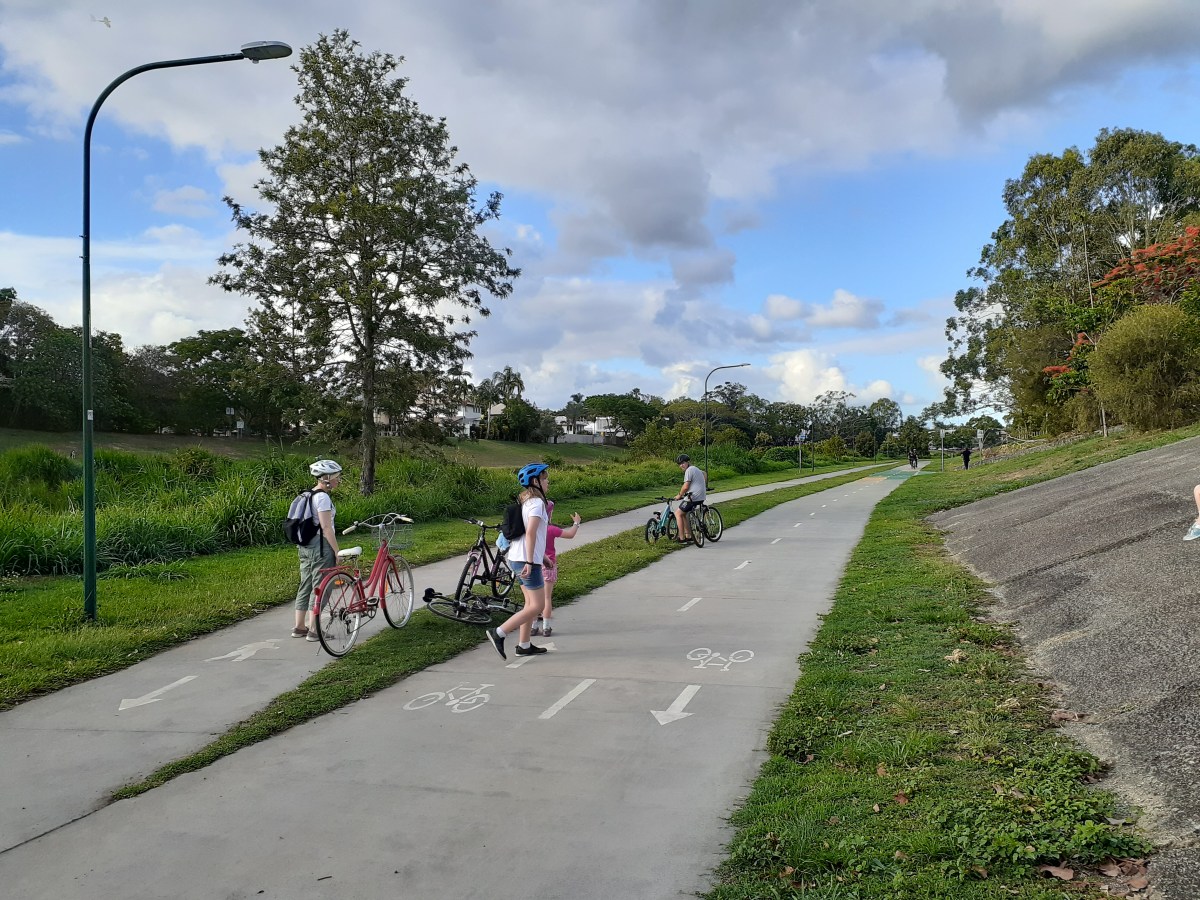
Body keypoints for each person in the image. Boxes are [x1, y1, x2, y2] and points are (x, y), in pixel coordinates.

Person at [485, 463, 552, 660]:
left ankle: (524, 645)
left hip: (517, 557)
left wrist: (543, 557)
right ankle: (499, 633)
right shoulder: (538, 504)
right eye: (545, 479)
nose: (548, 482)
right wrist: (531, 562)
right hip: (525, 561)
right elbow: (530, 533)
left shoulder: (527, 502)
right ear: (535, 481)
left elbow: (528, 535)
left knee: (529, 604)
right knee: (537, 606)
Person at [293, 459, 342, 641]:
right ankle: (314, 630)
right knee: (321, 587)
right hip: (320, 547)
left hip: (305, 546)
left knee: (305, 584)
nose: (339, 480)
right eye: (337, 477)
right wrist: (337, 551)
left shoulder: (307, 494)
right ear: (326, 478)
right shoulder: (322, 498)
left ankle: (299, 627)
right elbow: (326, 527)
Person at [532, 499, 581, 638]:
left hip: (535, 564)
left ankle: (533, 626)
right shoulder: (551, 529)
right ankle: (546, 627)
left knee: (533, 599)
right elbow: (570, 534)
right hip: (549, 566)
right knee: (546, 598)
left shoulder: (532, 529)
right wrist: (576, 523)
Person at [673, 454, 706, 543]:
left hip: (693, 498)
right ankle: (688, 536)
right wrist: (703, 486)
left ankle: (681, 538)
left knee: (678, 513)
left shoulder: (689, 470)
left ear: (688, 462)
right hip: (701, 497)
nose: (681, 465)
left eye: (683, 463)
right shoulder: (695, 468)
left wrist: (679, 495)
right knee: (683, 514)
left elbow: (686, 486)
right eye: (679, 464)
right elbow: (704, 473)